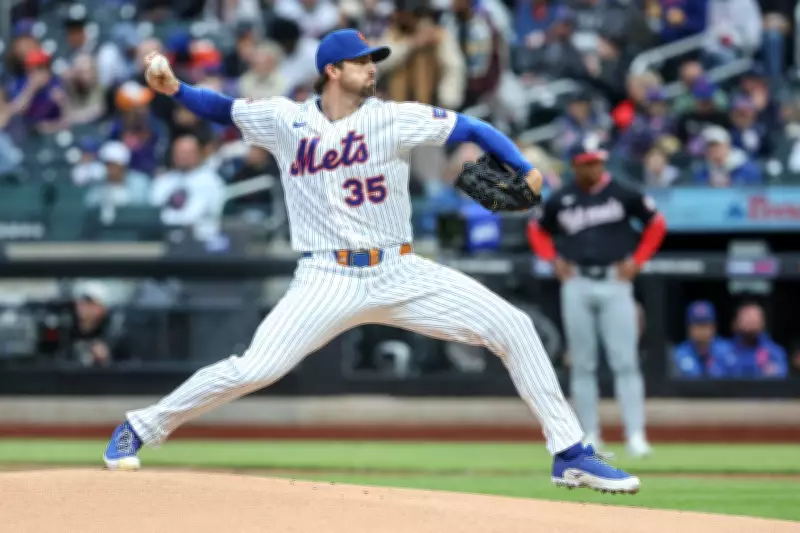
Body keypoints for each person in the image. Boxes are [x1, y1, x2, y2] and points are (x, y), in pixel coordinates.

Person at [102, 28, 642, 494]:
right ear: (332, 71)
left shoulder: (394, 119)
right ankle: (140, 427)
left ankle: (569, 453)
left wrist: (522, 165)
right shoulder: (284, 119)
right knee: (254, 369)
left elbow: (473, 129)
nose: (372, 68)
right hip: (326, 276)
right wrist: (174, 88)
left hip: (399, 270)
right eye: (362, 62)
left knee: (515, 327)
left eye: (373, 60)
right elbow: (221, 108)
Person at [527, 137, 667, 458]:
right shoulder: (563, 198)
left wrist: (639, 260)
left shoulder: (623, 192)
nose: (595, 167)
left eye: (598, 161)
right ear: (575, 165)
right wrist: (552, 259)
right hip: (576, 281)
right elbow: (536, 229)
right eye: (588, 162)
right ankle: (590, 435)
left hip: (615, 280)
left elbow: (656, 224)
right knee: (583, 364)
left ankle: (636, 435)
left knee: (625, 361)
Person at [672, 300, 737, 378]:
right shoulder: (678, 353)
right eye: (697, 324)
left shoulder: (727, 350)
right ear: (689, 328)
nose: (702, 330)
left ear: (714, 327)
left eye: (705, 324)